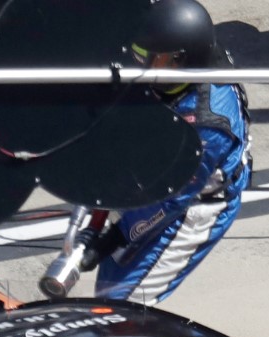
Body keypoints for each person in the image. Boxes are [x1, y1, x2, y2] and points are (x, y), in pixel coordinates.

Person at [93, 0, 251, 306]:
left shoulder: (207, 125)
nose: (143, 65)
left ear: (181, 61)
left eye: (154, 60)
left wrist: (117, 235)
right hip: (163, 168)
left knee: (121, 303)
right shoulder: (184, 59)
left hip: (194, 206)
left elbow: (171, 199)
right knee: (109, 280)